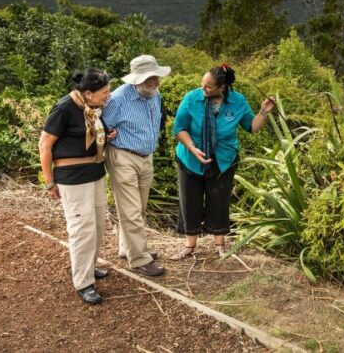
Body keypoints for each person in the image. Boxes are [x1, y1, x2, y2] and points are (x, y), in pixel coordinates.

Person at [170, 63, 275, 259]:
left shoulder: (237, 101)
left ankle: (219, 244)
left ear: (222, 87)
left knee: (219, 200)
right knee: (190, 200)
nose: (203, 88)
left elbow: (251, 127)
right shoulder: (192, 98)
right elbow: (179, 128)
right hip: (191, 157)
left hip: (223, 159)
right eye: (203, 84)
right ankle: (190, 246)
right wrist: (192, 148)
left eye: (208, 86)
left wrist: (263, 112)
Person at [39, 68, 115, 305]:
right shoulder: (64, 108)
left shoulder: (90, 107)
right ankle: (83, 282)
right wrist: (49, 182)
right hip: (72, 177)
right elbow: (44, 145)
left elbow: (89, 137)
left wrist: (107, 136)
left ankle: (88, 267)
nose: (109, 95)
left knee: (98, 225)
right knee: (82, 228)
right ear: (89, 93)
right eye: (105, 92)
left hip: (95, 172)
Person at [102, 55, 171, 277]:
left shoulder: (154, 94)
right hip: (123, 156)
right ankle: (140, 258)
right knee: (130, 211)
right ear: (136, 79)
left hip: (146, 157)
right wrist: (107, 135)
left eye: (156, 76)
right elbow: (102, 127)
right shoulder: (118, 99)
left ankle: (127, 248)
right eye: (149, 78)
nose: (155, 81)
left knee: (138, 208)